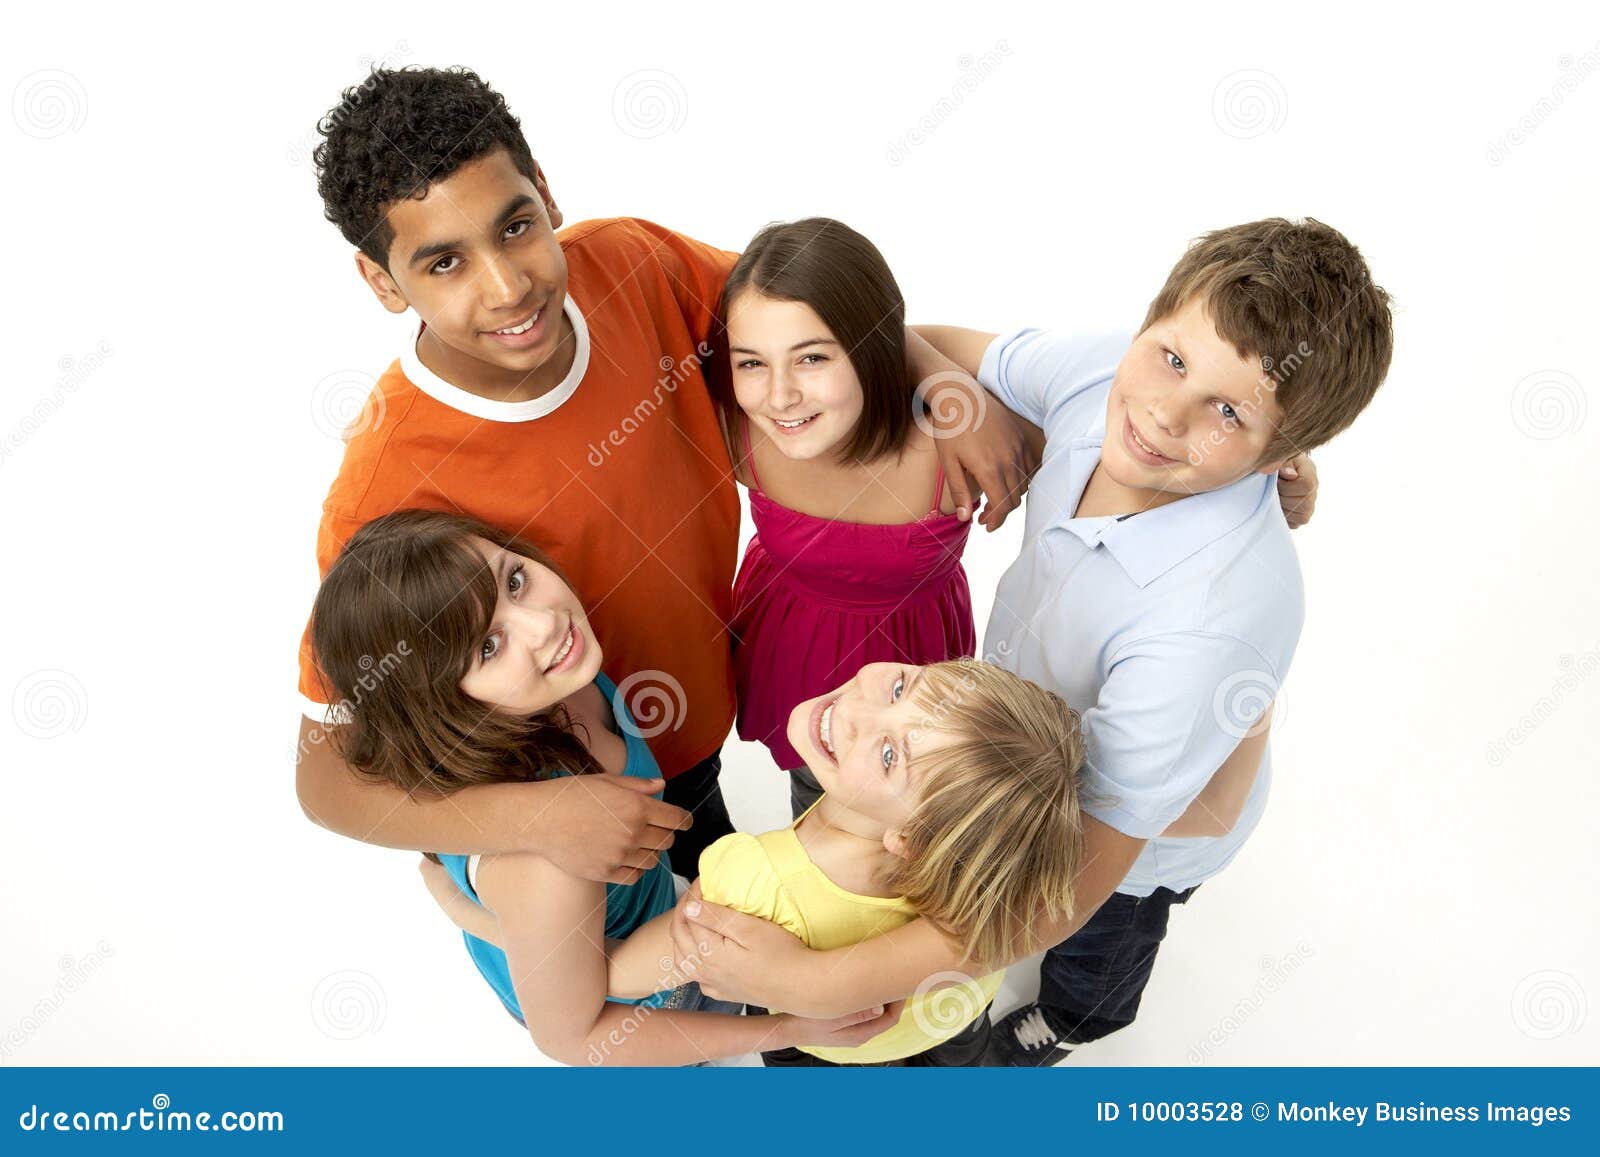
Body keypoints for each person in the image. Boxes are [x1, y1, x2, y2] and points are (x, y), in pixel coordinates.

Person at [669, 217, 1391, 1069]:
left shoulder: (1208, 626)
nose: (1162, 412)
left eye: (1227, 412)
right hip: (1001, 747)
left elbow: (1056, 894)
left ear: (1284, 451)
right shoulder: (1101, 374)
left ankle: (1067, 1023)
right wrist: (951, 392)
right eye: (1169, 357)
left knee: (1099, 949)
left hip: (1130, 844)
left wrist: (825, 988)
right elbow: (899, 338)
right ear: (1151, 323)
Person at [292, 66, 1032, 883]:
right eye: (443, 264)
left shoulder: (635, 264)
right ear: (381, 281)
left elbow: (813, 329)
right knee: (662, 972)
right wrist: (541, 816)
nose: (507, 287)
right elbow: (325, 778)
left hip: (701, 729)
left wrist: (942, 379)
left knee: (732, 903)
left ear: (545, 191)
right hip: (579, 799)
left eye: (514, 227)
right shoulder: (383, 483)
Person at [313, 510, 898, 1065]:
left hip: (610, 930)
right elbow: (575, 1037)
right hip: (641, 1019)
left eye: (514, 580)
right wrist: (786, 1028)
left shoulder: (563, 682)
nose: (544, 626)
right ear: (444, 707)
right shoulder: (547, 864)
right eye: (488, 646)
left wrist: (465, 908)